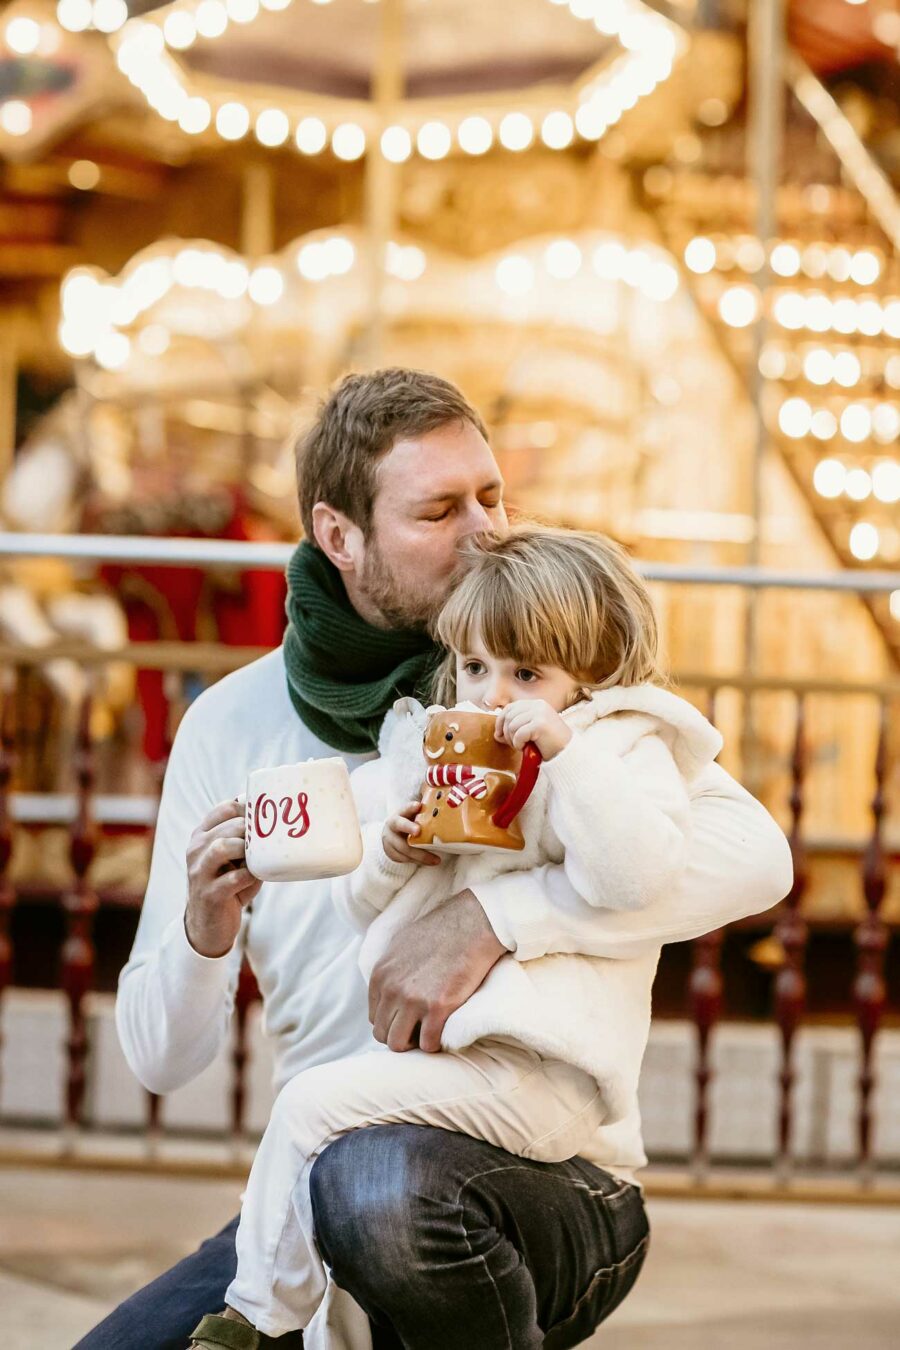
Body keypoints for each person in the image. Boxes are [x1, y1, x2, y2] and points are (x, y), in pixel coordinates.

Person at [79, 368, 793, 1350]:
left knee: (380, 1193)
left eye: (492, 496)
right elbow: (162, 1060)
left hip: (540, 1169)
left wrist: (493, 919)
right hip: (322, 1165)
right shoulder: (235, 724)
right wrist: (205, 932)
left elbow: (755, 859)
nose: (485, 531)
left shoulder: (556, 682)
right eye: (440, 509)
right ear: (339, 537)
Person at [189, 525, 726, 1348]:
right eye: (475, 667)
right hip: (450, 1062)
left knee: (309, 1107)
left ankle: (254, 1323)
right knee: (324, 1138)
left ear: (592, 676)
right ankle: (286, 1321)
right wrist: (393, 853)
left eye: (527, 674)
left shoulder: (620, 750)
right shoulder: (441, 746)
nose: (492, 695)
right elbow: (360, 910)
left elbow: (632, 876)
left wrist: (566, 755)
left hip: (545, 1077)